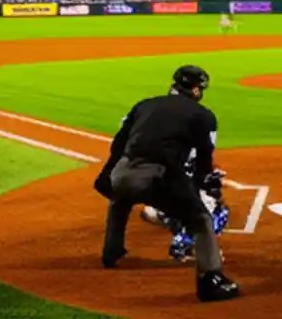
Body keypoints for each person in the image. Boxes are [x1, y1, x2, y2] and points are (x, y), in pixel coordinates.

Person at [94, 65, 240, 303]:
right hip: (158, 176)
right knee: (201, 220)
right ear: (196, 90)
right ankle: (210, 281)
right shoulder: (202, 115)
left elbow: (118, 145)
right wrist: (201, 188)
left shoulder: (144, 105)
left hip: (123, 172)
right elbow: (204, 157)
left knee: (120, 200)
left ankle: (111, 252)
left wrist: (106, 176)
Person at [140, 156, 231, 263]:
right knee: (215, 215)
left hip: (164, 211)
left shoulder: (175, 178)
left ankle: (189, 245)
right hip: (182, 214)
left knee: (181, 216)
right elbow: (217, 189)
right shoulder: (202, 188)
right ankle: (184, 246)